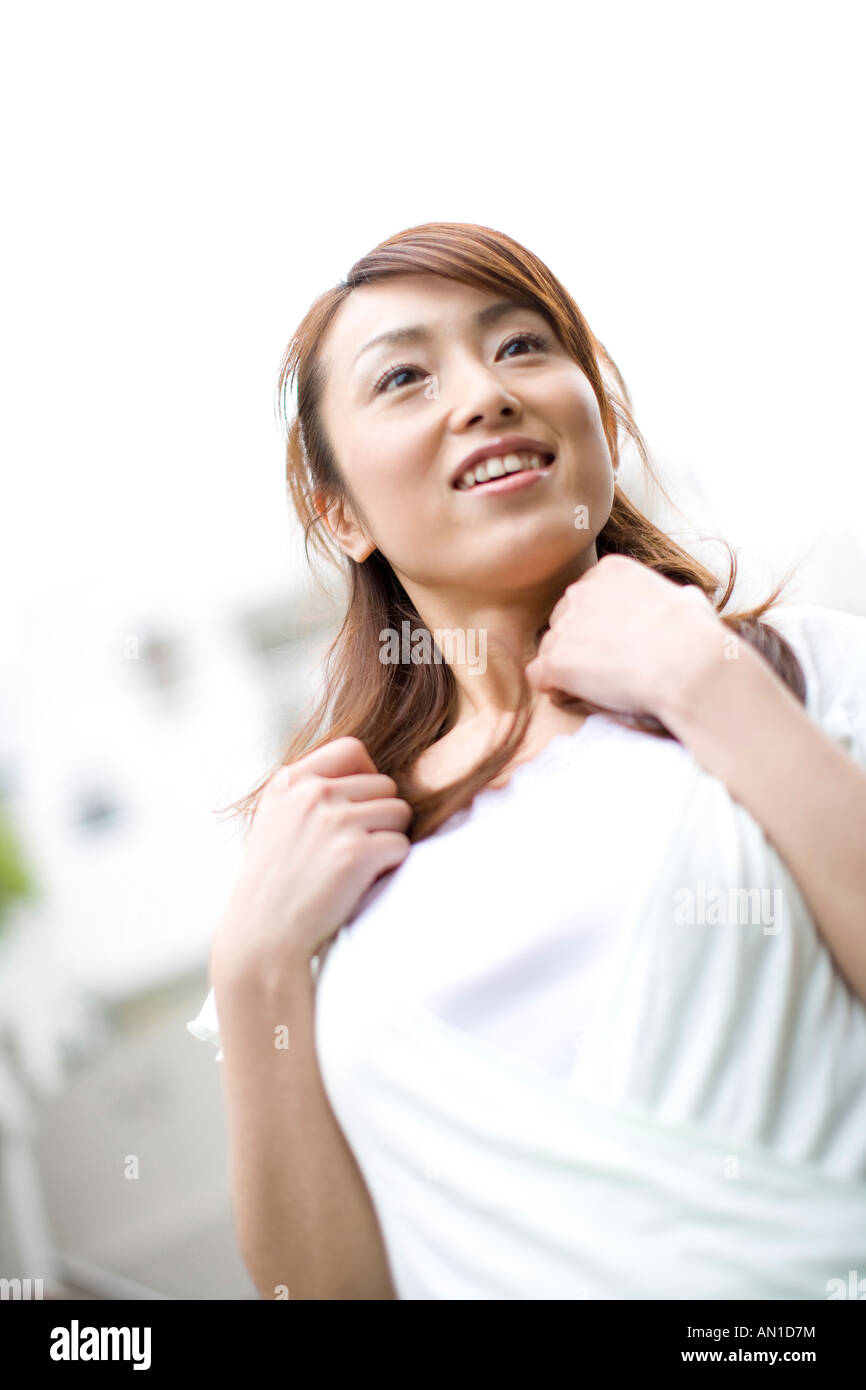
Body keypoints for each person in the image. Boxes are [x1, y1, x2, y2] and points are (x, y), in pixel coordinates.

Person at [188, 222, 866, 1301]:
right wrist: (253, 969)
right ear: (343, 514)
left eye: (518, 347)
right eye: (404, 376)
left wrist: (714, 691)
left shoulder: (802, 671)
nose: (483, 393)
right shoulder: (324, 859)